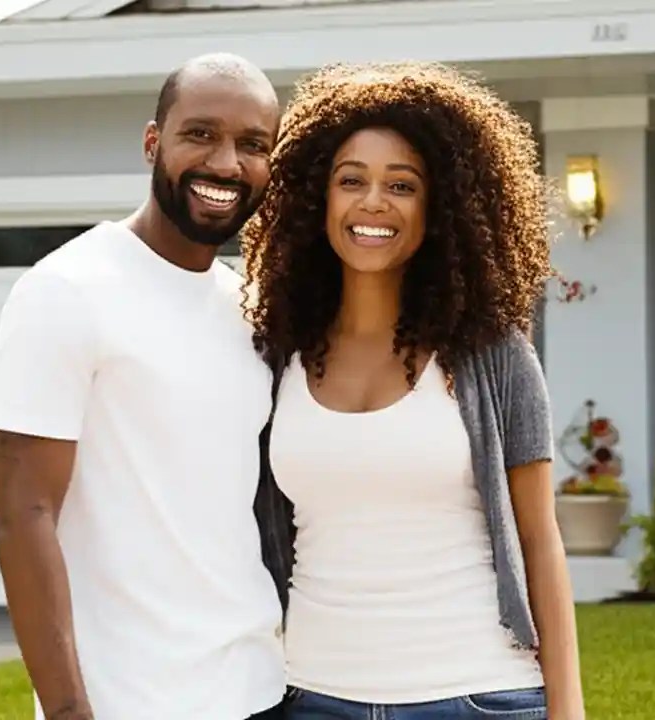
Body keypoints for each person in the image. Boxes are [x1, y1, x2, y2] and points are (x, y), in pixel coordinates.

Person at [242, 62, 586, 720]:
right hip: (314, 697)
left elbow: (541, 540)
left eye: (402, 185)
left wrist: (567, 710)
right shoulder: (276, 350)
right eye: (352, 181)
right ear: (320, 200)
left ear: (439, 207)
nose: (374, 202)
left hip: (473, 692)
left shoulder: (493, 354)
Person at [0, 53, 287, 720]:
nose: (226, 163)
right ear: (154, 142)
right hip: (129, 701)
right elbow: (22, 515)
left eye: (252, 144)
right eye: (201, 134)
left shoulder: (250, 309)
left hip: (258, 689)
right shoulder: (66, 291)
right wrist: (67, 711)